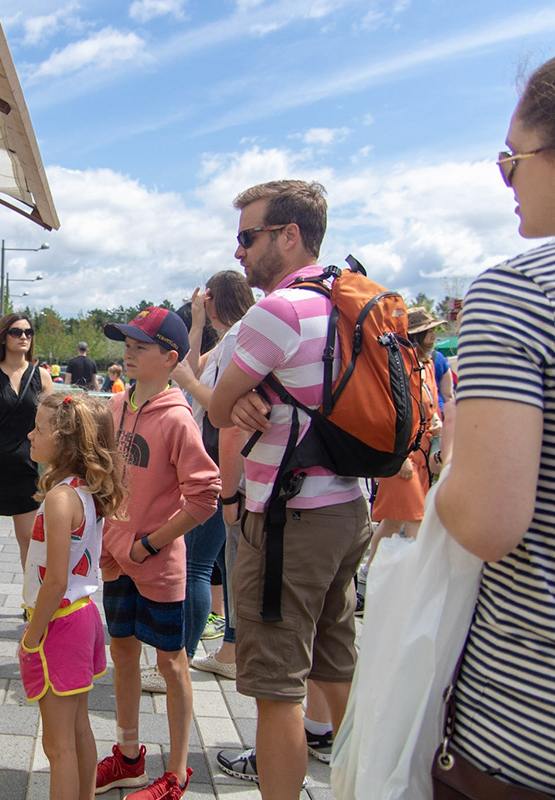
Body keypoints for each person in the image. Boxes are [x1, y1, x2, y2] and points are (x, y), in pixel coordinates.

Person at [434, 44, 555, 797]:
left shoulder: (524, 292)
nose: (507, 181)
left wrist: (453, 450)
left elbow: (486, 522)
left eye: (511, 161)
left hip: (548, 722)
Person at [209, 180, 370, 797]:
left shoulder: (279, 311)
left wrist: (240, 397)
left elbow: (218, 408)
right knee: (335, 660)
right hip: (348, 506)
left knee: (277, 690)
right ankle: (361, 784)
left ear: (290, 235)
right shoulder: (346, 299)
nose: (239, 251)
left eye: (248, 237)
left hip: (287, 517)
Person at [94, 306, 219, 800]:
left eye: (140, 346)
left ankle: (178, 773)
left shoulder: (178, 419)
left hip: (157, 564)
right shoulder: (114, 406)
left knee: (171, 664)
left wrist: (151, 543)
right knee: (122, 651)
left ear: (170, 358)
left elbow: (205, 497)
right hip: (114, 558)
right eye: (127, 344)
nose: (129, 352)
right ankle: (129, 757)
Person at [20, 393, 126, 800]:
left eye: (39, 429)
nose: (30, 435)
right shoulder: (83, 491)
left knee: (57, 745)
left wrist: (32, 637)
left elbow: (55, 581)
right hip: (83, 617)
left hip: (59, 623)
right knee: (79, 728)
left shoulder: (59, 498)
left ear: (65, 446)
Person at [168, 271, 254, 685]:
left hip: (222, 462)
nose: (201, 304)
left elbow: (221, 405)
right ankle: (229, 651)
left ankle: (180, 660)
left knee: (195, 563)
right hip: (223, 461)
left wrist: (187, 380)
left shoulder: (239, 338)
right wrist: (198, 324)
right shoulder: (230, 338)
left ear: (219, 297)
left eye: (206, 299)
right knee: (223, 561)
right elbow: (190, 368)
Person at [0, 313, 54, 625]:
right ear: (4, 337)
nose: (23, 336)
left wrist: (53, 468)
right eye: (16, 331)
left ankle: (31, 600)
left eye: (28, 331)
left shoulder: (42, 376)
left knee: (28, 538)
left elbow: (53, 426)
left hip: (27, 467)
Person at [362, 306, 445, 568]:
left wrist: (437, 423)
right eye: (429, 331)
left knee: (394, 520)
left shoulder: (427, 365)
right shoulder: (400, 367)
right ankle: (416, 577)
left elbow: (430, 404)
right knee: (415, 518)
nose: (434, 335)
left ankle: (369, 572)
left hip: (421, 452)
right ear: (418, 336)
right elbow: (389, 414)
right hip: (403, 455)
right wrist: (400, 457)